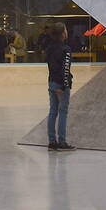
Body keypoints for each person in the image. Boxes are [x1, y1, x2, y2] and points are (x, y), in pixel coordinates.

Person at [44, 22, 74, 151]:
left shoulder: (49, 48)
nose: (67, 32)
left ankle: (52, 142)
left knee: (53, 112)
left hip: (51, 82)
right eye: (66, 30)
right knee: (63, 112)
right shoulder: (66, 49)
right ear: (62, 33)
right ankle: (62, 141)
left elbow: (52, 67)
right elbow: (65, 69)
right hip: (61, 84)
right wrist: (64, 85)